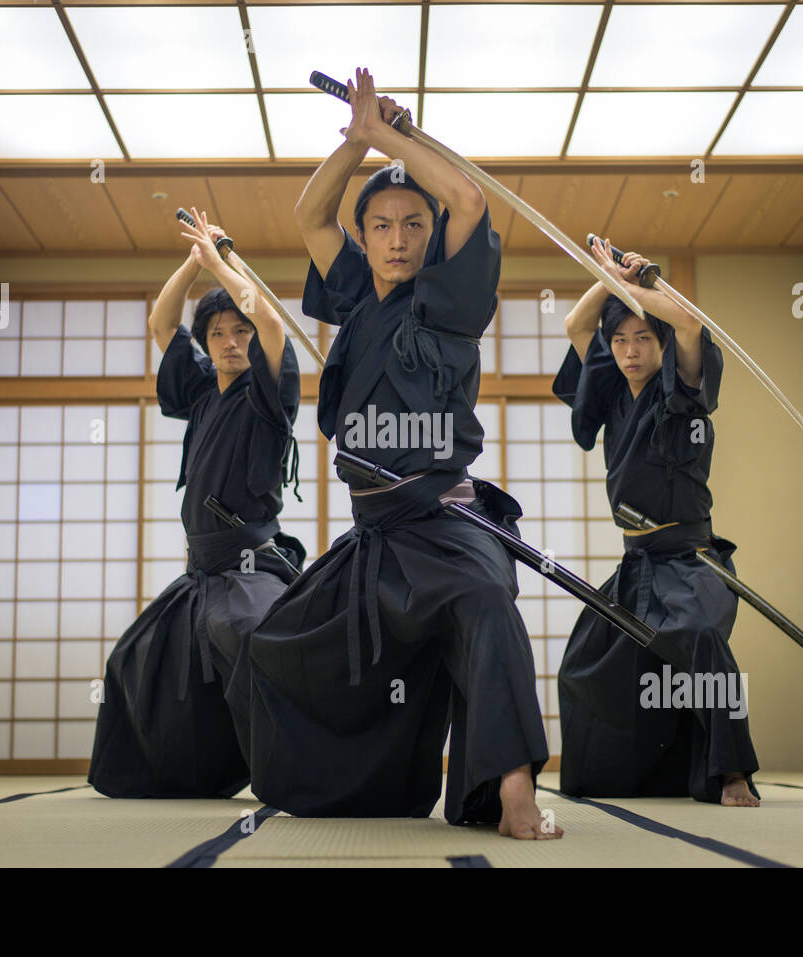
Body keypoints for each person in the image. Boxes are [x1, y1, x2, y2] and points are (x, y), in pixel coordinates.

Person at [247, 69, 558, 839]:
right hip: (373, 532)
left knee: (489, 605)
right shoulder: (355, 293)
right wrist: (359, 141)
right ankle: (358, 782)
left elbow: (471, 200)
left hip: (443, 518)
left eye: (412, 223)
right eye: (381, 224)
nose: (395, 237)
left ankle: (513, 790)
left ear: (431, 235)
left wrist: (394, 139)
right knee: (272, 645)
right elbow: (310, 212)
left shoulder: (450, 298)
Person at [88, 210, 302, 798]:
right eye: (218, 335)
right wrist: (193, 263)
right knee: (135, 657)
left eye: (240, 332)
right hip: (200, 571)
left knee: (252, 635)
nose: (232, 342)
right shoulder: (203, 391)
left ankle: (285, 773)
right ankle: (188, 776)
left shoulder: (270, 389)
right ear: (207, 344)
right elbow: (162, 324)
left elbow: (270, 322)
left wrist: (224, 265)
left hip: (251, 563)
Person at [551, 239, 761, 807]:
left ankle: (732, 774)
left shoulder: (683, 393)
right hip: (636, 563)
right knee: (584, 661)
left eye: (642, 337)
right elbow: (576, 322)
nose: (629, 351)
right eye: (619, 340)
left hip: (690, 560)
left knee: (699, 639)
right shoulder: (612, 392)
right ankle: (620, 779)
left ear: (660, 344)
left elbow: (689, 322)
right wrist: (607, 276)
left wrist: (640, 281)